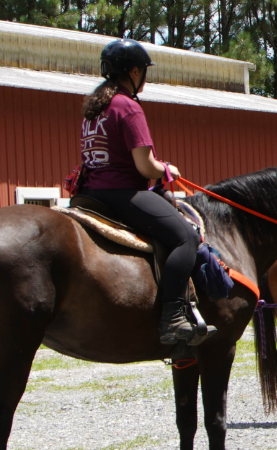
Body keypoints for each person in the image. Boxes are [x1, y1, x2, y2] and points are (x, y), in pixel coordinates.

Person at [73, 38, 214, 346]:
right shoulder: (127, 106)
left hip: (88, 194)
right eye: (143, 72)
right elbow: (144, 165)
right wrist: (166, 169)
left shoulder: (94, 107)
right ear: (134, 71)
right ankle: (174, 318)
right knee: (184, 237)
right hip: (122, 193)